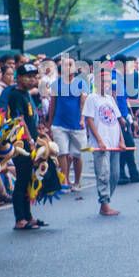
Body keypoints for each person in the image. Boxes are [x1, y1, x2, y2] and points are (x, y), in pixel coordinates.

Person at [2, 62, 46, 230]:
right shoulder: (15, 95)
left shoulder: (27, 94)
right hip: (22, 143)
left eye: (34, 76)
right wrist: (30, 141)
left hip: (31, 141)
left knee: (28, 179)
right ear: (18, 77)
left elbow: (31, 119)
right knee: (21, 180)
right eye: (28, 76)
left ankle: (28, 216)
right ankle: (19, 218)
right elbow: (20, 121)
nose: (32, 80)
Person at [84, 80, 125, 217]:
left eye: (108, 82)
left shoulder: (110, 99)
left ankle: (106, 200)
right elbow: (89, 120)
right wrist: (99, 140)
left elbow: (117, 120)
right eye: (103, 81)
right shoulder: (91, 98)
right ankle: (104, 203)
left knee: (115, 175)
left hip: (114, 142)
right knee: (103, 174)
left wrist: (121, 140)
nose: (106, 84)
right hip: (100, 144)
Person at [48, 59, 87, 190]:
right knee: (62, 153)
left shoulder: (81, 83)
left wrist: (82, 119)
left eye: (71, 65)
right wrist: (49, 123)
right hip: (59, 124)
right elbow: (52, 105)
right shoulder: (56, 84)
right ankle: (64, 180)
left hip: (76, 124)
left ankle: (77, 181)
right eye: (65, 65)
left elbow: (83, 102)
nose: (68, 67)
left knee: (76, 155)